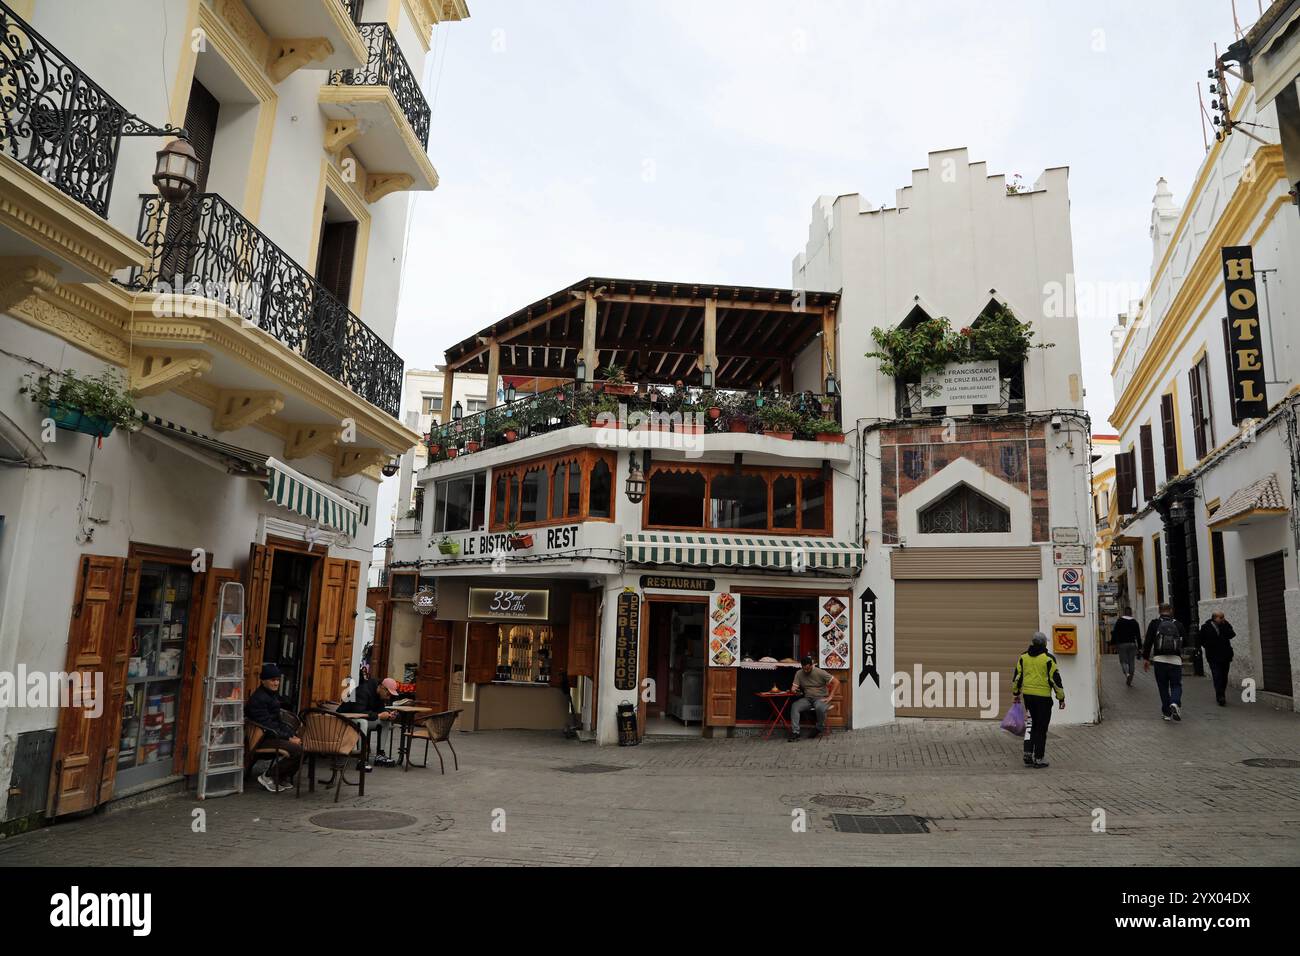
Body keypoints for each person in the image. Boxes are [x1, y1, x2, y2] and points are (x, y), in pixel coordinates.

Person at [1011, 632, 1066, 768]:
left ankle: (1028, 753)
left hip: (1028, 696)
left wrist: (1016, 692)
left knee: (1031, 724)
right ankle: (1039, 758)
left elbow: (1018, 676)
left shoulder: (1023, 657)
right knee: (1041, 728)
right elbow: (1055, 680)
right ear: (1044, 643)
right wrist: (1061, 698)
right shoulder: (1048, 659)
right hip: (1043, 699)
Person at [245, 664, 302, 792]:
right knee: (297, 750)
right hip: (262, 738)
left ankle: (281, 777)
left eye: (278, 680)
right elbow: (267, 725)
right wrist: (288, 737)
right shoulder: (259, 699)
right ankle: (270, 776)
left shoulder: (271, 696)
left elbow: (278, 722)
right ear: (263, 680)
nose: (276, 683)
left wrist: (291, 735)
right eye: (272, 680)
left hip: (271, 734)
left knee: (303, 745)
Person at [338, 675, 400, 766]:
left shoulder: (379, 694)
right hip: (345, 718)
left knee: (385, 721)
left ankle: (380, 755)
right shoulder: (363, 691)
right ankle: (361, 758)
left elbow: (379, 709)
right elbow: (358, 712)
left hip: (359, 718)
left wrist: (388, 714)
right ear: (382, 688)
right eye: (388, 694)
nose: (389, 697)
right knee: (363, 722)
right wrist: (379, 715)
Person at [1143, 603, 1186, 721]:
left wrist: (1146, 658)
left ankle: (1167, 713)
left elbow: (1148, 642)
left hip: (1159, 660)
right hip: (1175, 660)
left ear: (1159, 611)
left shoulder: (1154, 624)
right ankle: (1175, 702)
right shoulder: (1178, 624)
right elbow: (1185, 642)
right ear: (1171, 611)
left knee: (1163, 686)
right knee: (1176, 684)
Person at [788, 655, 838, 740]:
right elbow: (794, 687)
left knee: (819, 707)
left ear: (812, 665)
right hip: (807, 698)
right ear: (801, 666)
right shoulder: (799, 673)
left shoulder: (820, 672)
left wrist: (830, 696)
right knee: (795, 706)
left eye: (808, 668)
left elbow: (836, 682)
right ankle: (795, 732)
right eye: (804, 668)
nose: (806, 670)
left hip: (820, 697)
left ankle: (819, 727)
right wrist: (795, 690)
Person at [1198, 611, 1237, 706]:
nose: (1223, 619)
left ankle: (1222, 692)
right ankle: (1220, 696)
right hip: (1213, 656)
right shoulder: (1206, 627)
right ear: (1215, 618)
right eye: (1221, 617)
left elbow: (1232, 635)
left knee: (1224, 676)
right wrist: (1208, 647)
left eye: (1223, 617)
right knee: (1217, 676)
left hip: (1225, 656)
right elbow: (1200, 640)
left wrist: (1225, 624)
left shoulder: (1225, 625)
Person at [1111, 607, 1142, 686]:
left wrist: (1113, 643)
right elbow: (1138, 636)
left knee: (1123, 661)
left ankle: (1127, 674)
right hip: (1132, 644)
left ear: (1124, 613)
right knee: (1132, 662)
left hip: (1122, 645)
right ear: (1131, 613)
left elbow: (1115, 633)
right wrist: (1140, 647)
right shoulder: (1135, 622)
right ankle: (1129, 681)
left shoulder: (1119, 621)